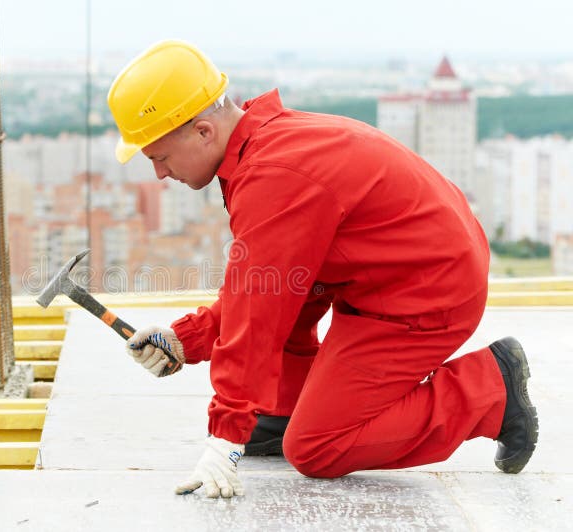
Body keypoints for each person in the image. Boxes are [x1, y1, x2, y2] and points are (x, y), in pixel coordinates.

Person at [108, 40, 539, 499]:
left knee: (318, 448)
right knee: (289, 306)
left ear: (203, 132)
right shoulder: (261, 142)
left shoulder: (274, 174)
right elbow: (273, 283)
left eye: (158, 157)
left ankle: (490, 391)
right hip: (396, 276)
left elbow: (258, 314)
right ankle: (283, 408)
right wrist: (186, 338)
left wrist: (226, 438)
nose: (158, 173)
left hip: (427, 292)